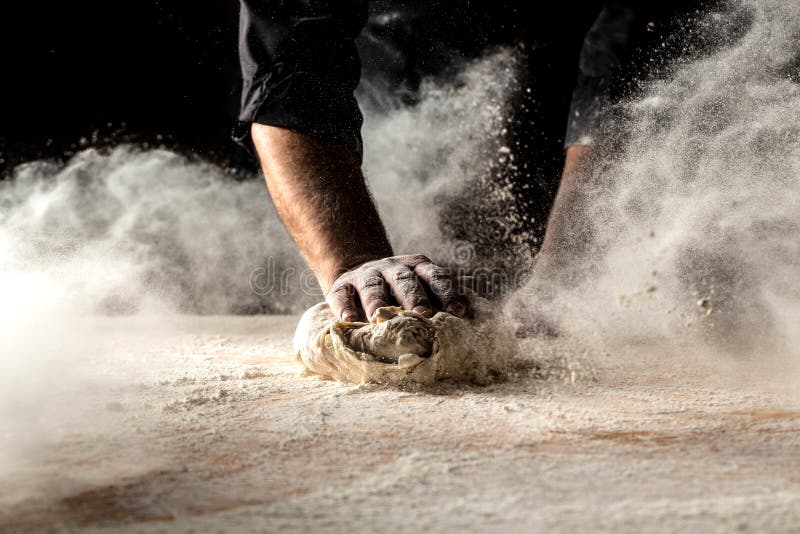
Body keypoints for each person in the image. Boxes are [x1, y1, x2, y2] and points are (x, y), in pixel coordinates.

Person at [233, 0, 639, 323]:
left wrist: (563, 272)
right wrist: (354, 260)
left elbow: (625, 66)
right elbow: (288, 69)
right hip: (381, 158)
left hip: (568, 165)